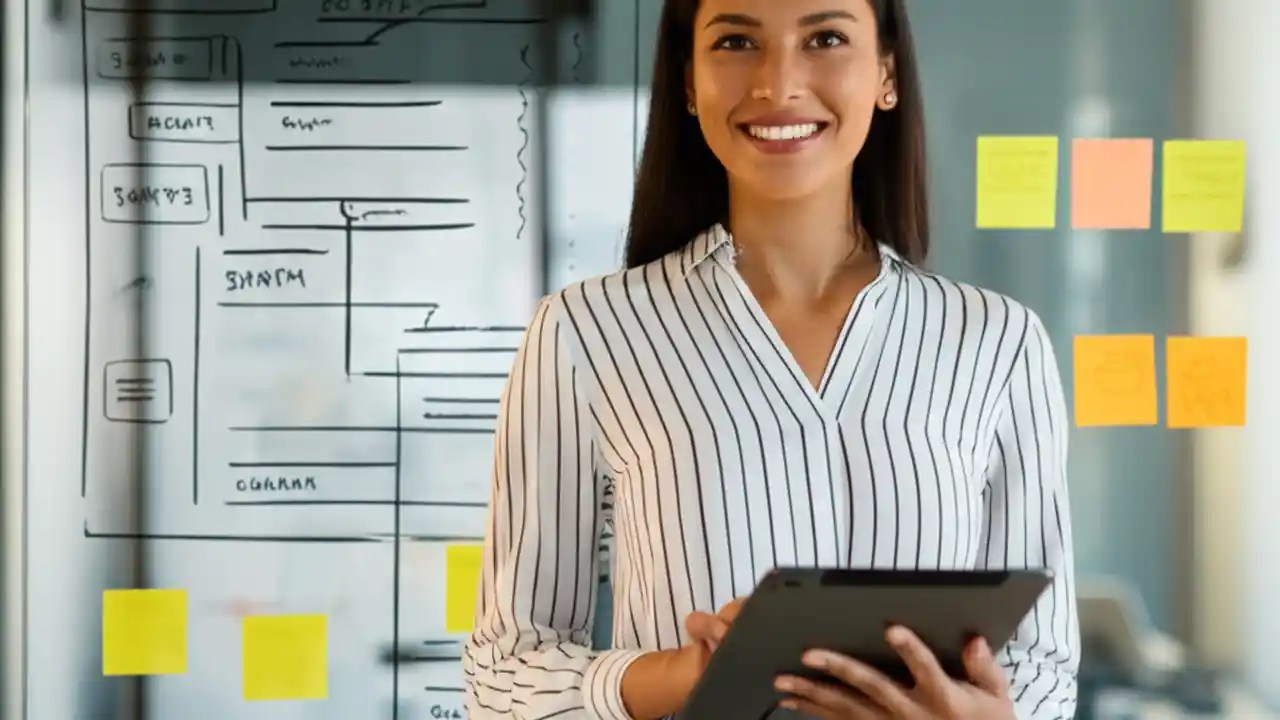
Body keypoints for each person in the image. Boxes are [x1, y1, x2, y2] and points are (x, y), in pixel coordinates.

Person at [462, 0, 1079, 717]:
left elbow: (1043, 668)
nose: (779, 83)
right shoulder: (585, 333)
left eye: (825, 38)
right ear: (688, 82)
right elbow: (503, 676)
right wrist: (679, 674)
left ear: (886, 74)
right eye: (735, 41)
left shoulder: (999, 342)